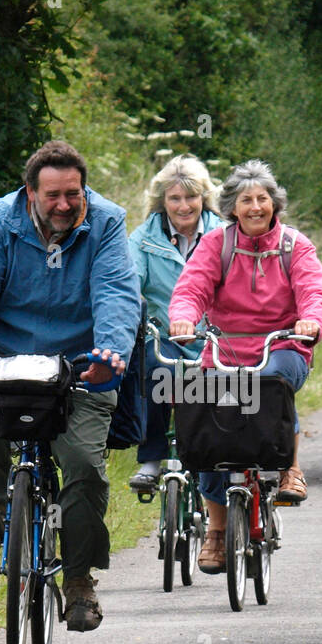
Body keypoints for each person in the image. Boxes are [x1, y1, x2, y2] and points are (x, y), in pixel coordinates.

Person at [0, 140, 141, 633]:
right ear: (30, 192)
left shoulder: (108, 222)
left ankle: (77, 580)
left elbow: (117, 291)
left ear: (84, 190)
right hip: (9, 361)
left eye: (73, 194)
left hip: (83, 364)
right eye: (52, 195)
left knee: (84, 468)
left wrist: (111, 353)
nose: (64, 205)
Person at [167, 159, 322, 574]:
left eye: (263, 199)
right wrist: (184, 317)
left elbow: (315, 289)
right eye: (247, 200)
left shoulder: (295, 246)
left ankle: (290, 469)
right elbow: (192, 286)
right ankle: (218, 531)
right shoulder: (216, 244)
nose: (256, 207)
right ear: (233, 207)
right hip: (225, 349)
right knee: (205, 421)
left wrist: (311, 319)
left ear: (274, 204)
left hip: (282, 346)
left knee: (271, 385)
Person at [126, 154, 224, 492]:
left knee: (222, 386)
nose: (184, 206)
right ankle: (151, 460)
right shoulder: (143, 239)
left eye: (191, 197)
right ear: (162, 201)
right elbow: (128, 286)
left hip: (214, 337)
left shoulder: (225, 234)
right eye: (175, 198)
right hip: (164, 334)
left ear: (204, 198)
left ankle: (216, 460)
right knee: (156, 370)